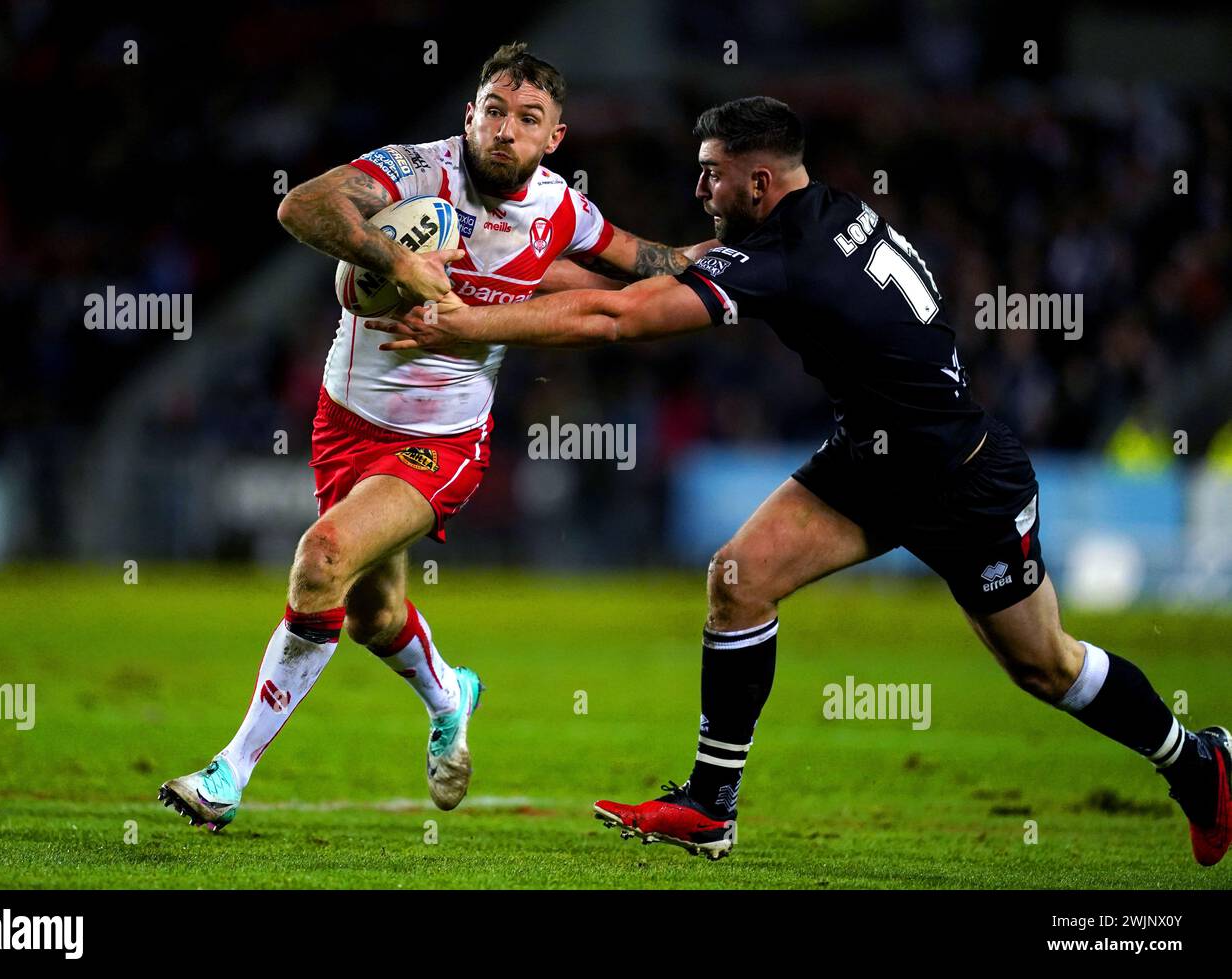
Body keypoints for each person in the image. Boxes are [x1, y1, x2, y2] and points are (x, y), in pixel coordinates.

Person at [375, 95, 1232, 864]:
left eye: (710, 176)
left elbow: (619, 317)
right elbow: (663, 269)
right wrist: (495, 264)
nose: (697, 187)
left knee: (1046, 667)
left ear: (756, 180)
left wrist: (467, 323)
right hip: (877, 459)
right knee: (739, 580)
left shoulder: (790, 258)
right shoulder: (822, 215)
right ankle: (711, 805)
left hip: (961, 479)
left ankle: (1196, 758)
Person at [158, 43, 702, 830]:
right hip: (343, 422)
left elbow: (649, 265)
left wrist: (734, 261)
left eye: (528, 119)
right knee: (374, 615)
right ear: (468, 115)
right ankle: (450, 693)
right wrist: (395, 262)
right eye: (492, 111)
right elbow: (301, 206)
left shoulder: (560, 212)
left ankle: (227, 773)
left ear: (556, 138)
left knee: (322, 559)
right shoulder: (416, 171)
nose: (504, 130)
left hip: (440, 444)